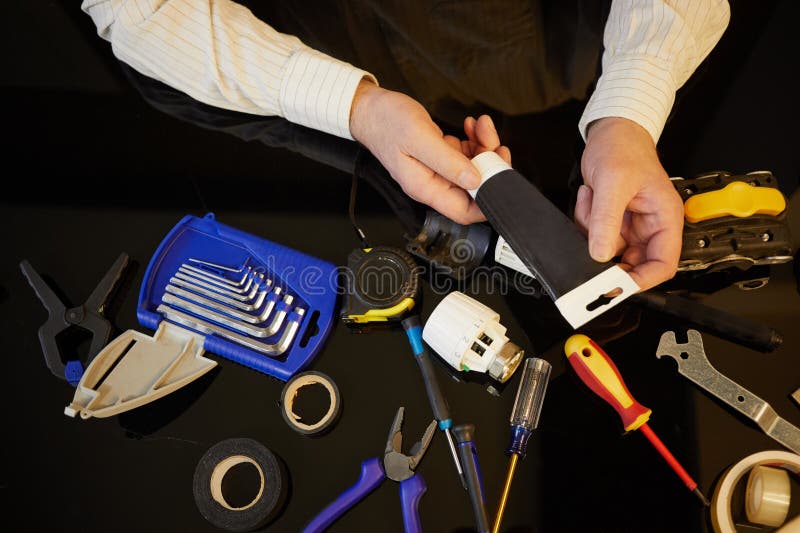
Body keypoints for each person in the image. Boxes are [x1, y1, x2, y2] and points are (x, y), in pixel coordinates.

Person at [81, 0, 730, 291]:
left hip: (529, 49)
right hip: (284, 47)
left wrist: (630, 108)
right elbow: (139, 10)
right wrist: (355, 105)